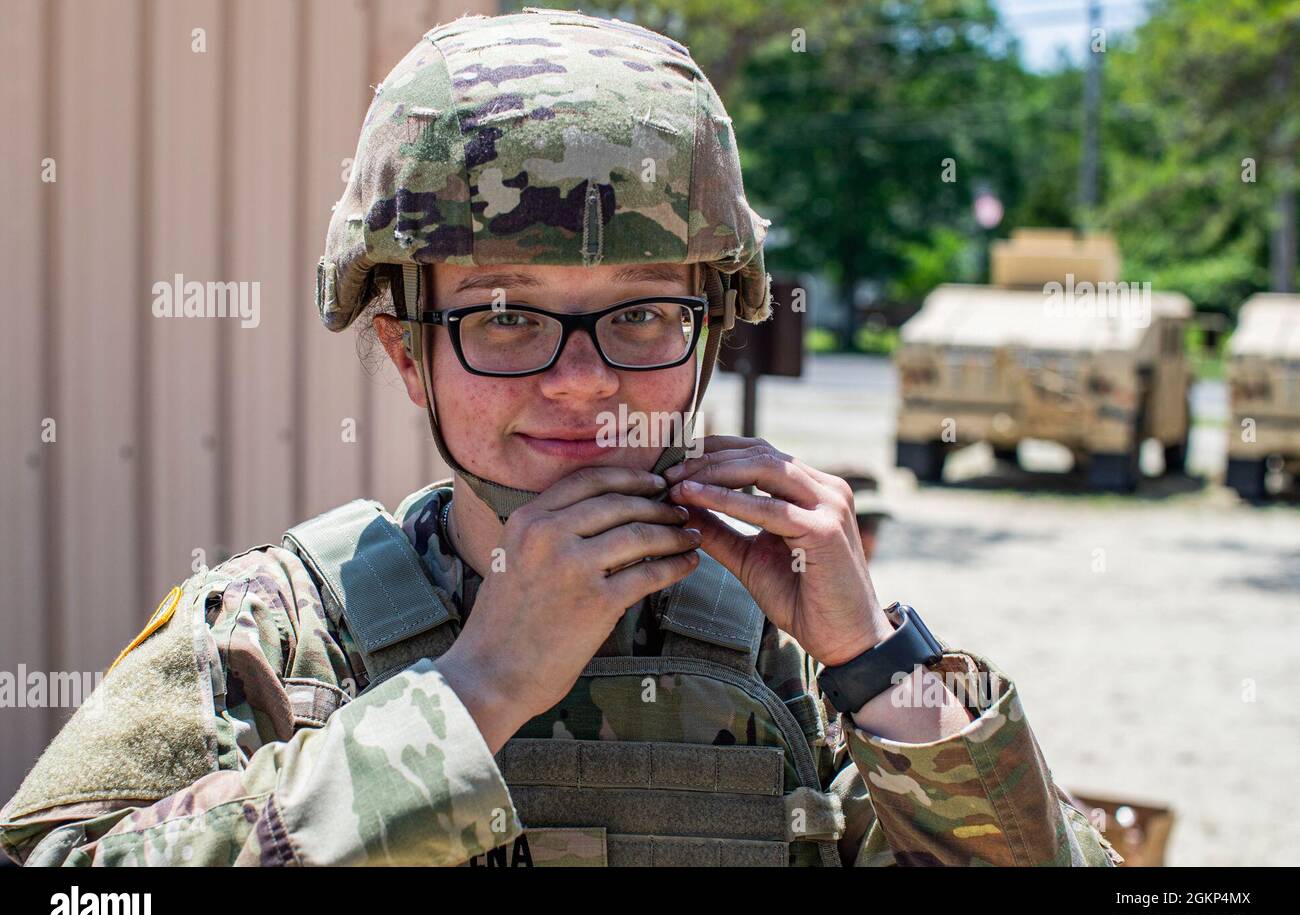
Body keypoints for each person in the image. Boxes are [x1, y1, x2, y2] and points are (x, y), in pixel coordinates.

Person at [0, 9, 1120, 867]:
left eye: (639, 313)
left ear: (708, 334)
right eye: (502, 315)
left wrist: (878, 666)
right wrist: (473, 691)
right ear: (405, 351)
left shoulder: (789, 656)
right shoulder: (270, 637)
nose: (581, 380)